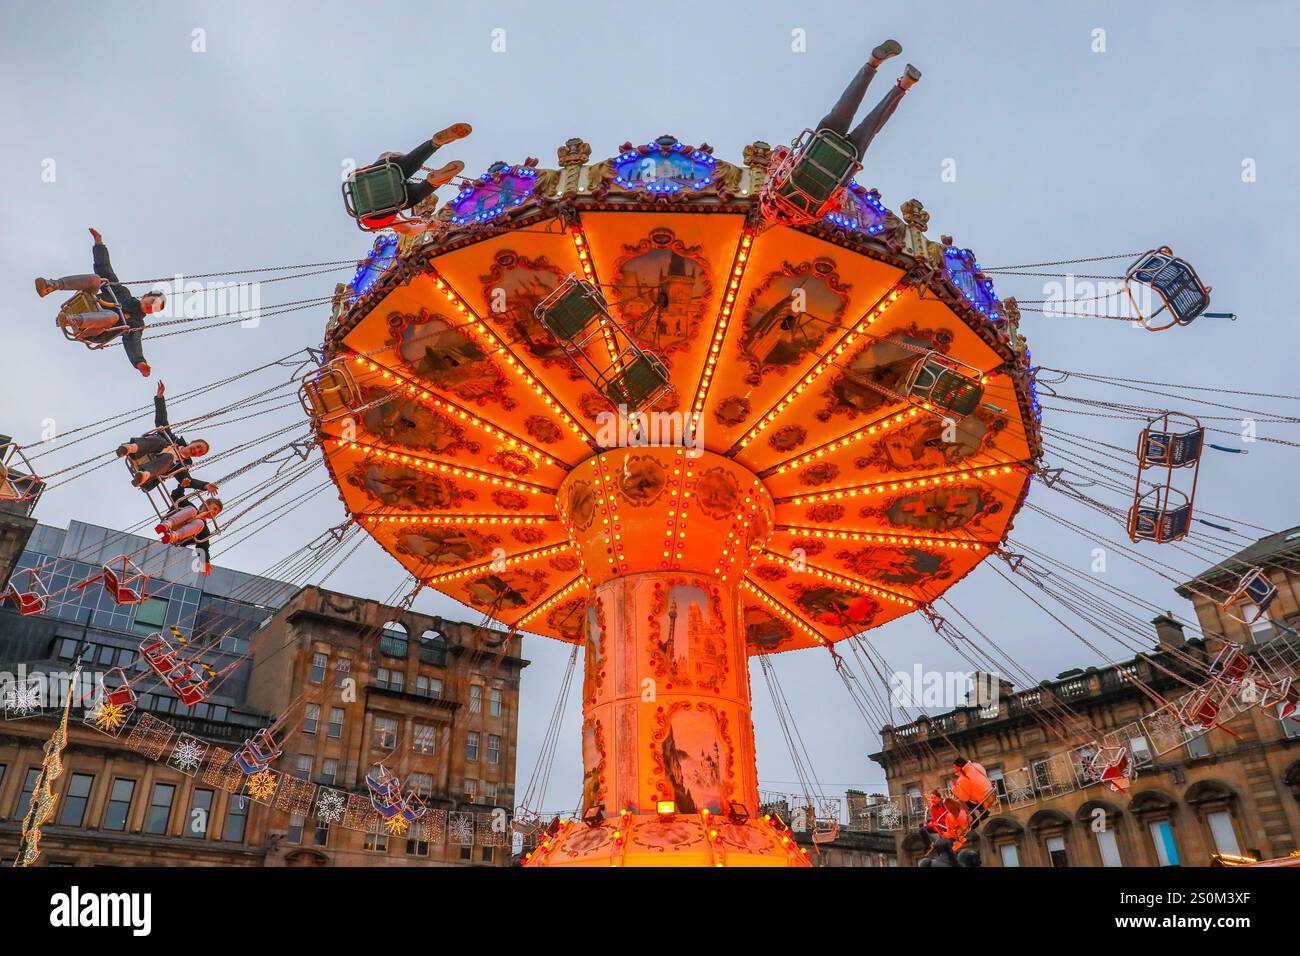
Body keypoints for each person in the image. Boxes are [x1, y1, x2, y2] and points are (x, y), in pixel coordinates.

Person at [35, 228, 164, 376]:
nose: (151, 306)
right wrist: (99, 244)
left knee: (114, 317)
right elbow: (106, 272)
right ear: (146, 295)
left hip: (92, 329)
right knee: (97, 279)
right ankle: (51, 285)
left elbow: (133, 343)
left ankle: (73, 320)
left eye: (155, 308)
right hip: (86, 305)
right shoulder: (123, 293)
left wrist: (140, 363)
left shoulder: (136, 324)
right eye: (152, 301)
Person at [353, 123, 472, 232]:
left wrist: (427, 226)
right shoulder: (359, 177)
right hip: (381, 173)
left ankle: (432, 181)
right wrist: (408, 160)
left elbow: (409, 230)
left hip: (384, 207)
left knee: (415, 195)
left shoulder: (369, 219)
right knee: (404, 164)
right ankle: (434, 144)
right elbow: (388, 155)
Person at [116, 381, 217, 494]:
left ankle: (144, 475)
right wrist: (160, 398)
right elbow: (161, 421)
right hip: (140, 452)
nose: (197, 450)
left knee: (169, 458)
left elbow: (189, 481)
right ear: (192, 442)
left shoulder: (181, 466)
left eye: (200, 452)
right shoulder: (172, 440)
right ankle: (129, 448)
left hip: (147, 471)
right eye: (198, 446)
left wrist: (205, 485)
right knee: (161, 438)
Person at [157, 496, 222, 575]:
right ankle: (165, 525)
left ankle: (172, 536)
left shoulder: (204, 529)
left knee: (200, 523)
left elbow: (203, 546)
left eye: (217, 513)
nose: (215, 513)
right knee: (192, 510)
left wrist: (205, 561)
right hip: (173, 522)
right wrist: (182, 486)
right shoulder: (190, 506)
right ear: (207, 504)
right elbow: (176, 495)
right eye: (215, 509)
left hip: (178, 536)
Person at [950, 756, 996, 829]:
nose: (955, 769)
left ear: (960, 766)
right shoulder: (977, 765)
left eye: (955, 767)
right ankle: (983, 812)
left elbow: (964, 797)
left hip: (982, 801)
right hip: (991, 792)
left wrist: (955, 787)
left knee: (960, 801)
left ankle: (973, 819)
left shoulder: (962, 779)